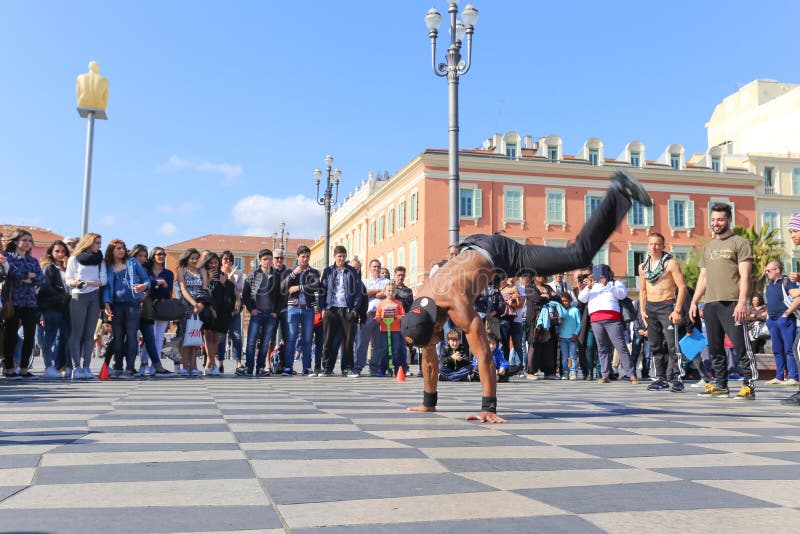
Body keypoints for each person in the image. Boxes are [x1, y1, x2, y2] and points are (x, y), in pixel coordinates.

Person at [401, 170, 651, 421]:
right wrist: (428, 403)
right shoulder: (419, 305)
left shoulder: (456, 304)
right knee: (431, 340)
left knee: (577, 256)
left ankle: (619, 192)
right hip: (473, 247)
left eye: (436, 334)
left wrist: (488, 407)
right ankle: (429, 401)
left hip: (502, 255)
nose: (437, 336)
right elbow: (428, 355)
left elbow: (484, 354)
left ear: (435, 323)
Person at [690, 202, 757, 400]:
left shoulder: (740, 243)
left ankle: (749, 386)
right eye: (713, 220)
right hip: (711, 303)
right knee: (715, 347)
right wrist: (694, 301)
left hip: (732, 302)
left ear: (729, 219)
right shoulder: (708, 247)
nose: (716, 223)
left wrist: (741, 303)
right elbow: (703, 278)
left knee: (741, 346)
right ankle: (721, 385)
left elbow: (745, 276)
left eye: (720, 219)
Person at [639, 232, 687, 393]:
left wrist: (677, 310)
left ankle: (677, 379)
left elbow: (682, 287)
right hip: (651, 308)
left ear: (663, 246)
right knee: (655, 345)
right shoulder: (643, 267)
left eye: (657, 244)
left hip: (667, 306)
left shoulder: (671, 263)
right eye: (651, 244)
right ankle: (660, 378)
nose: (654, 247)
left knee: (673, 344)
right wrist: (642, 310)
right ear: (648, 246)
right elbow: (642, 290)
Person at [578, 264, 637, 384]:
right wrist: (588, 287)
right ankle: (605, 375)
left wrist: (607, 285)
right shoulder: (591, 285)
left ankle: (631, 374)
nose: (598, 276)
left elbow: (622, 295)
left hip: (613, 319)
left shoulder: (615, 283)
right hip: (596, 320)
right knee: (602, 348)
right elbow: (581, 298)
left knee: (620, 346)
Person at [103, 240, 151, 378]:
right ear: (111, 250)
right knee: (117, 337)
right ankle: (118, 367)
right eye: (118, 248)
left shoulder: (132, 262)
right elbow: (106, 287)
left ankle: (130, 368)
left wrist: (144, 286)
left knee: (131, 336)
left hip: (132, 304)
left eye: (123, 248)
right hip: (116, 305)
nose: (122, 250)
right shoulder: (108, 266)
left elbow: (146, 279)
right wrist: (106, 303)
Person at [2, 229, 45, 379]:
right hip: (13, 301)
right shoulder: (7, 257)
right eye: (24, 240)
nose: (27, 243)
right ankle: (9, 369)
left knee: (29, 336)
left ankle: (24, 369)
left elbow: (41, 279)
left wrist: (27, 277)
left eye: (29, 241)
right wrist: (29, 275)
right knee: (11, 335)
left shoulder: (32, 260)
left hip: (30, 302)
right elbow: (13, 273)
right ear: (15, 241)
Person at [65, 233, 107, 379]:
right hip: (78, 295)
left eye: (100, 243)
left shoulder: (100, 260)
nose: (99, 246)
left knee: (90, 334)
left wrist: (88, 283)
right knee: (76, 333)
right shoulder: (74, 259)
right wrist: (75, 282)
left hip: (94, 297)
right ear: (88, 243)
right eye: (97, 243)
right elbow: (68, 280)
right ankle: (76, 367)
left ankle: (87, 367)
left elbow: (103, 280)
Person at [320, 246, 362, 376]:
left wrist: (355, 309)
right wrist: (322, 308)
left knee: (348, 341)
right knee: (328, 340)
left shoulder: (352, 271)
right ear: (334, 256)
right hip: (331, 308)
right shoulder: (328, 271)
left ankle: (347, 368)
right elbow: (322, 290)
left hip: (347, 309)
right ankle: (327, 367)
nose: (341, 258)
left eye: (343, 256)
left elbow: (358, 292)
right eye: (339, 256)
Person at [280, 245, 321, 376]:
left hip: (308, 309)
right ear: (297, 257)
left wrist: (298, 287)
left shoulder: (314, 272)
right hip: (292, 308)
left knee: (307, 339)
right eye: (303, 257)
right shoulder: (289, 271)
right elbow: (283, 287)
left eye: (307, 257)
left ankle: (307, 367)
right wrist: (294, 274)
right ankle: (288, 367)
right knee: (291, 338)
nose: (305, 259)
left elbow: (316, 286)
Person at [240, 249, 280, 377]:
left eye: (270, 259)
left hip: (270, 314)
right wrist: (251, 309)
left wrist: (276, 312)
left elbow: (281, 296)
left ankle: (261, 368)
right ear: (260, 260)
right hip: (257, 314)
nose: (267, 262)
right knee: (251, 342)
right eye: (265, 259)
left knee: (265, 344)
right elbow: (245, 294)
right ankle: (249, 367)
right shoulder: (253, 275)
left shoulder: (276, 276)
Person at [37, 240, 71, 379]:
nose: (60, 254)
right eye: (57, 251)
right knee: (50, 337)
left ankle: (62, 365)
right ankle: (48, 366)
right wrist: (61, 296)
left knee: (66, 337)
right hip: (53, 307)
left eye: (63, 251)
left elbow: (73, 285)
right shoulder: (49, 267)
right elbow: (45, 287)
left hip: (67, 306)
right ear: (51, 252)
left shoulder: (68, 267)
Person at [762, 261, 799, 386]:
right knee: (777, 349)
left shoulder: (787, 281)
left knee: (790, 349)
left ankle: (793, 377)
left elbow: (798, 299)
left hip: (785, 320)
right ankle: (779, 377)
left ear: (777, 270)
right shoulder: (769, 285)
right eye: (766, 271)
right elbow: (769, 303)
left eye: (769, 270)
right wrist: (768, 318)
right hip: (772, 321)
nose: (767, 273)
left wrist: (786, 314)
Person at [200, 252, 235, 376]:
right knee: (207, 335)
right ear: (207, 263)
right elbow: (201, 291)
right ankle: (210, 362)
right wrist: (208, 280)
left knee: (216, 336)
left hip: (220, 311)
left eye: (216, 262)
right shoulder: (203, 274)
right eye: (211, 263)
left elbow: (229, 292)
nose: (214, 265)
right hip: (207, 310)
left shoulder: (223, 275)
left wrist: (224, 283)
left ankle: (211, 363)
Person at [175, 248, 209, 377]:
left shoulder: (202, 271)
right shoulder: (181, 271)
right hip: (186, 306)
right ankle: (185, 366)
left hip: (199, 306)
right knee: (185, 337)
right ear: (187, 258)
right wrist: (193, 303)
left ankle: (194, 366)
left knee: (195, 336)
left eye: (196, 258)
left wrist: (200, 304)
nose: (194, 261)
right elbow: (183, 289)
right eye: (192, 258)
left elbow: (204, 288)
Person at [144, 247, 175, 373]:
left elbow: (169, 293)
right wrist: (156, 283)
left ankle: (155, 365)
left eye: (163, 254)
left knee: (159, 338)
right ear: (153, 256)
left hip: (162, 307)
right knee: (149, 337)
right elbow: (145, 289)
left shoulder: (168, 273)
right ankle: (144, 364)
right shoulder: (146, 271)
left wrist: (165, 284)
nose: (162, 256)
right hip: (148, 306)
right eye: (159, 254)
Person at [218, 250, 244, 372]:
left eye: (230, 259)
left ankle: (238, 363)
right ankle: (220, 363)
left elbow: (240, 289)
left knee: (237, 336)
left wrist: (232, 280)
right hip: (221, 311)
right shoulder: (218, 273)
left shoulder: (238, 274)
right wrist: (226, 278)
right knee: (221, 337)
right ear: (221, 261)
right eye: (225, 259)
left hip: (234, 310)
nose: (228, 261)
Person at [374, 281, 407, 376]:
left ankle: (397, 369)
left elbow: (403, 315)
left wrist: (398, 317)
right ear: (385, 292)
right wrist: (378, 318)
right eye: (388, 291)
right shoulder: (381, 303)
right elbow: (377, 315)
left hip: (396, 330)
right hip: (384, 330)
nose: (390, 293)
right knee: (384, 350)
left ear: (395, 292)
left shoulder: (398, 303)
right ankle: (382, 369)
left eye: (392, 291)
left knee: (396, 350)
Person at [558, 293, 581, 380]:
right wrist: (558, 334)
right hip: (562, 338)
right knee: (564, 356)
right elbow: (558, 325)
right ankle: (565, 372)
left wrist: (576, 334)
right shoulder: (559, 311)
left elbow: (579, 324)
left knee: (573, 355)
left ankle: (573, 371)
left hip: (572, 338)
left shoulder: (575, 310)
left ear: (570, 301)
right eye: (562, 301)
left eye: (566, 301)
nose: (564, 303)